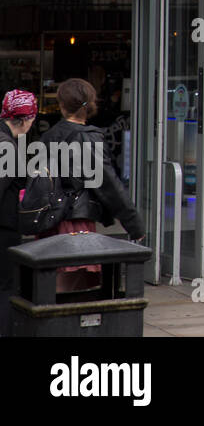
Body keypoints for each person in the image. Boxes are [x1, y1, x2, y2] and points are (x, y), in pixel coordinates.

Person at [40, 78, 145, 292]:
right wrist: (133, 223)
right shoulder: (88, 139)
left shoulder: (48, 137)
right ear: (90, 105)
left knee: (52, 288)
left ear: (61, 104)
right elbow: (109, 185)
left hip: (49, 222)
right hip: (76, 222)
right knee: (72, 289)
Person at [0, 90, 37, 335]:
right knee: (5, 291)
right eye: (32, 118)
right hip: (3, 232)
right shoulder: (7, 147)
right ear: (23, 119)